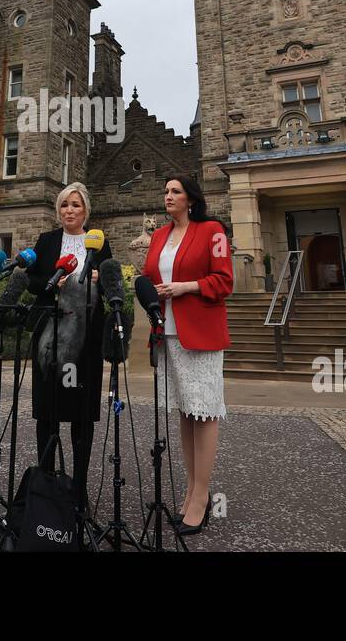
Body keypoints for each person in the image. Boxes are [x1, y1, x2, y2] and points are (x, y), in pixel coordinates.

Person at [142, 175, 232, 536]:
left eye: (175, 191)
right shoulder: (160, 236)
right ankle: (192, 488)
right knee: (185, 410)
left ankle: (201, 496)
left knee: (205, 411)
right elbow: (149, 276)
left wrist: (186, 287)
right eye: (165, 191)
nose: (168, 196)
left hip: (202, 333)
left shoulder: (213, 231)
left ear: (190, 199)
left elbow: (224, 281)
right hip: (167, 333)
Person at [25, 181, 111, 513]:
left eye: (75, 205)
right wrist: (51, 283)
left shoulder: (99, 243)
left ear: (85, 210)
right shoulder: (47, 242)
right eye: (64, 205)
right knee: (48, 410)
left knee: (80, 414)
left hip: (84, 341)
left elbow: (111, 281)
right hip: (49, 335)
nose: (69, 211)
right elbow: (32, 281)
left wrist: (98, 282)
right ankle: (45, 482)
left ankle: (79, 488)